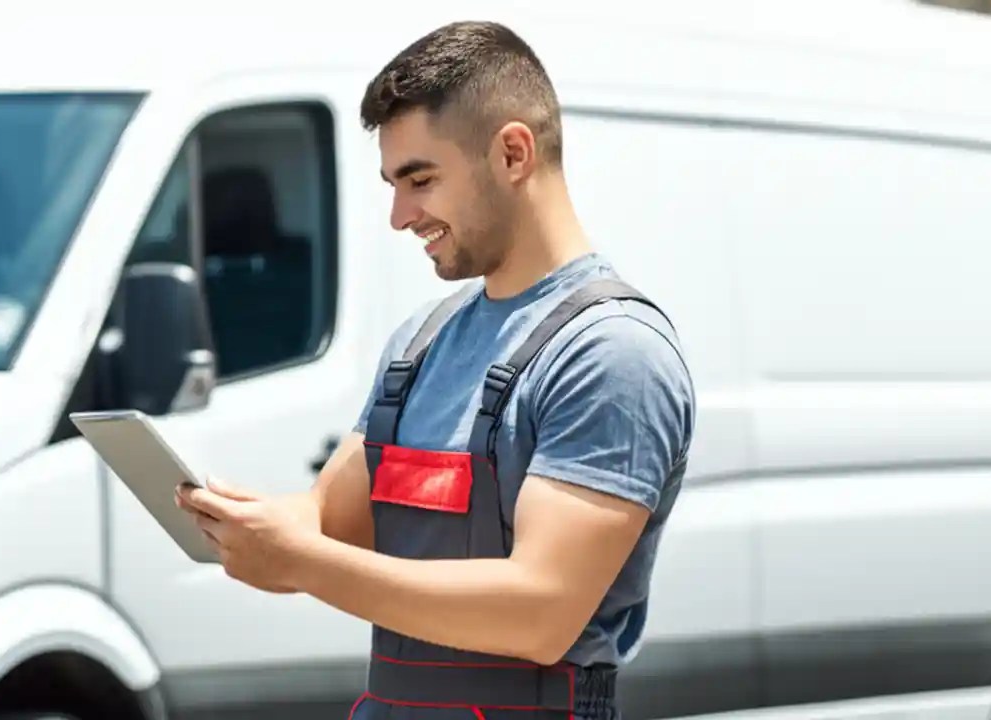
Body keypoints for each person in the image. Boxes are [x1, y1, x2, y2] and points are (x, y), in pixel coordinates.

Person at [176, 19, 696, 720]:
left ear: (513, 153)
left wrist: (299, 559)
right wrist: (249, 525)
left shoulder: (612, 353)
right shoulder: (421, 344)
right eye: (393, 183)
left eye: (419, 179)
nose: (398, 216)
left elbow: (539, 615)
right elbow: (330, 522)